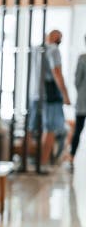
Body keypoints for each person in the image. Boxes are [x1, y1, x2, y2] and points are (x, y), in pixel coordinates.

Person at [28, 30, 72, 166]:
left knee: (32, 128)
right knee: (50, 129)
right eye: (60, 37)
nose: (60, 40)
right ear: (55, 37)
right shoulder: (54, 50)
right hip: (50, 95)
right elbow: (57, 73)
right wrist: (65, 95)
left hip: (36, 94)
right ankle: (43, 163)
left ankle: (30, 161)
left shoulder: (37, 49)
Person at [72, 35, 86, 160]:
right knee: (77, 130)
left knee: (78, 130)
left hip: (82, 101)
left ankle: (71, 157)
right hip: (82, 101)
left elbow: (77, 81)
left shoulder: (82, 58)